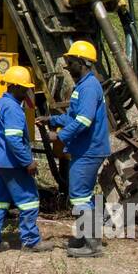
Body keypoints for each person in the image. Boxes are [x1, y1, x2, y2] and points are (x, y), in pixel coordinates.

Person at [47, 40, 110, 257]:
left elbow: (84, 120)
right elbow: (73, 116)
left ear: (83, 63)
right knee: (84, 197)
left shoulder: (90, 87)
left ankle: (92, 246)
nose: (67, 67)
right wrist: (52, 119)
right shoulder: (82, 86)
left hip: (89, 149)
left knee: (79, 196)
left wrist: (59, 135)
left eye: (71, 62)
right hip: (85, 148)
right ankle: (85, 238)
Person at [0, 65, 54, 255]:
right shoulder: (13, 109)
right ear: (14, 87)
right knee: (29, 200)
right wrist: (27, 162)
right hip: (12, 164)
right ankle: (30, 241)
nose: (26, 92)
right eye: (23, 88)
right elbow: (13, 139)